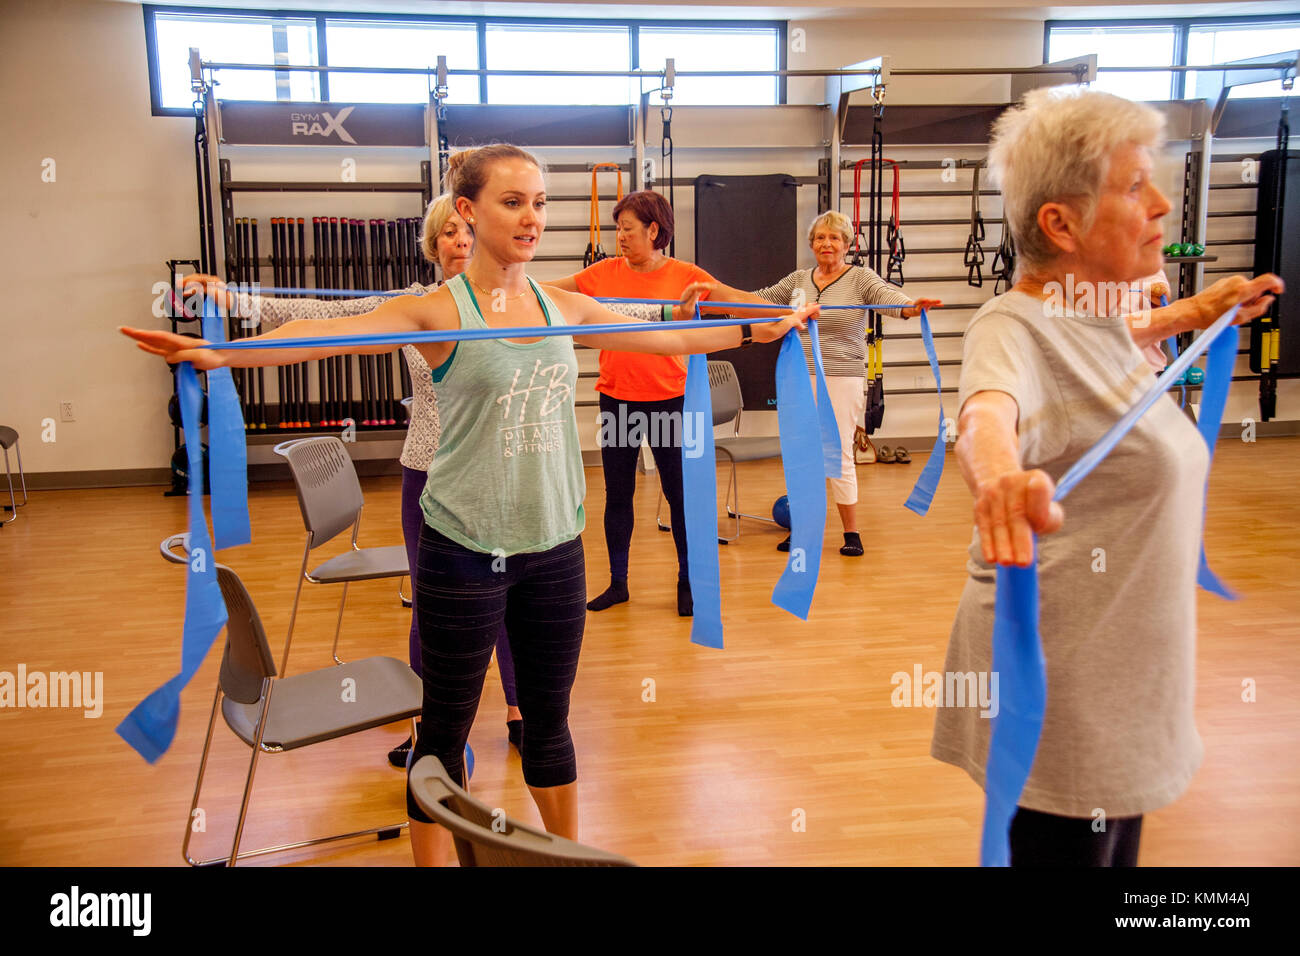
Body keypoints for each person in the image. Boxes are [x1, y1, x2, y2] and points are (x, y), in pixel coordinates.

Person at [123, 142, 815, 866]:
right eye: (513, 202)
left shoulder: (561, 304)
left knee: (550, 724)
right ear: (467, 210)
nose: (531, 218)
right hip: (462, 549)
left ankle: (563, 857)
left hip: (553, 548)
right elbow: (321, 335)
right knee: (444, 735)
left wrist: (751, 328)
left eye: (540, 203)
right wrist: (219, 355)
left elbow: (669, 332)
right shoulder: (433, 310)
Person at [181, 190, 671, 768]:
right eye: (448, 235)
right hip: (436, 476)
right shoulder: (419, 304)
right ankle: (433, 727)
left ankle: (519, 711)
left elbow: (614, 316)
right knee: (437, 614)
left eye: (466, 233)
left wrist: (686, 313)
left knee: (522, 602)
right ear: (434, 245)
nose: (460, 243)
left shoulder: (527, 300)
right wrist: (233, 299)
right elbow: (318, 316)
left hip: (514, 477)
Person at [929, 87, 1282, 866]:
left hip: (1126, 682)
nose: (1160, 203)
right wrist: (997, 479)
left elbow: (1108, 338)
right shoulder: (1009, 324)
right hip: (1063, 692)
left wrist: (1197, 312)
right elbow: (988, 413)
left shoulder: (1092, 315)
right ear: (1060, 222)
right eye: (1133, 187)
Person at [704, 211, 942, 555]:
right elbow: (759, 301)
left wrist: (912, 308)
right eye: (820, 238)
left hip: (840, 376)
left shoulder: (860, 278)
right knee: (801, 455)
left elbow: (888, 300)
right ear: (812, 244)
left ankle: (851, 534)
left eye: (834, 238)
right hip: (798, 376)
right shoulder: (799, 279)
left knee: (839, 453)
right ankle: (802, 530)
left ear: (848, 244)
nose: (826, 244)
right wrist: (715, 300)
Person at [546, 190, 721, 617]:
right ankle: (618, 582)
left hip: (670, 400)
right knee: (617, 496)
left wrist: (784, 314)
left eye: (628, 229)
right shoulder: (602, 273)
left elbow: (734, 301)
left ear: (654, 230)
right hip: (617, 400)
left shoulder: (685, 274)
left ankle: (688, 583)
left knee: (680, 497)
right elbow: (546, 291)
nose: (620, 237)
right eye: (618, 229)